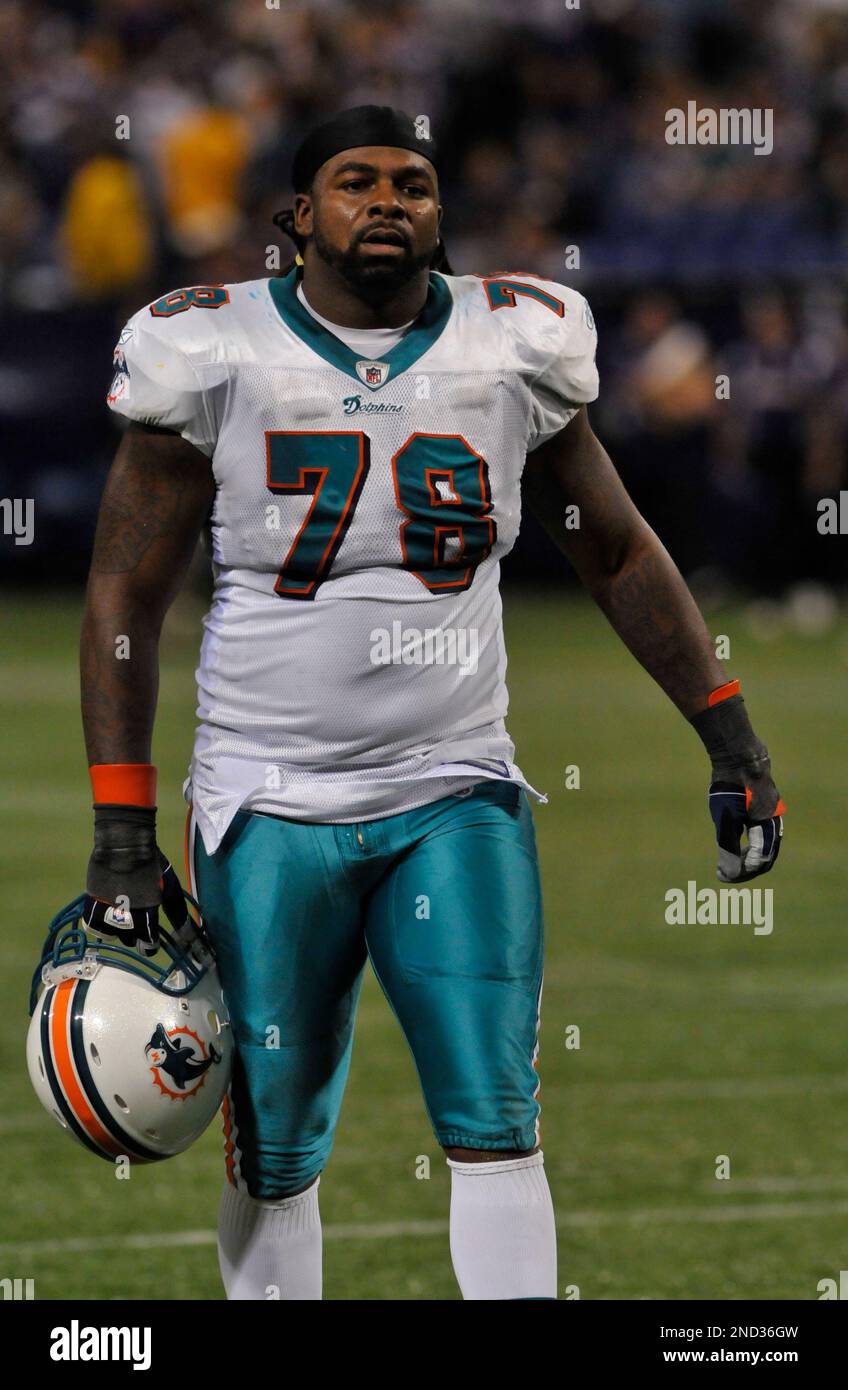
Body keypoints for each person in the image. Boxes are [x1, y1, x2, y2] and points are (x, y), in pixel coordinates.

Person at [80, 105, 784, 1301]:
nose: (389, 203)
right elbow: (121, 592)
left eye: (413, 183)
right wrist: (119, 830)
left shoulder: (510, 344)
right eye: (356, 183)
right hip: (265, 798)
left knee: (493, 1110)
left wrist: (728, 733)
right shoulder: (213, 351)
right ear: (295, 217)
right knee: (275, 1140)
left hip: (452, 786)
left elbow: (613, 553)